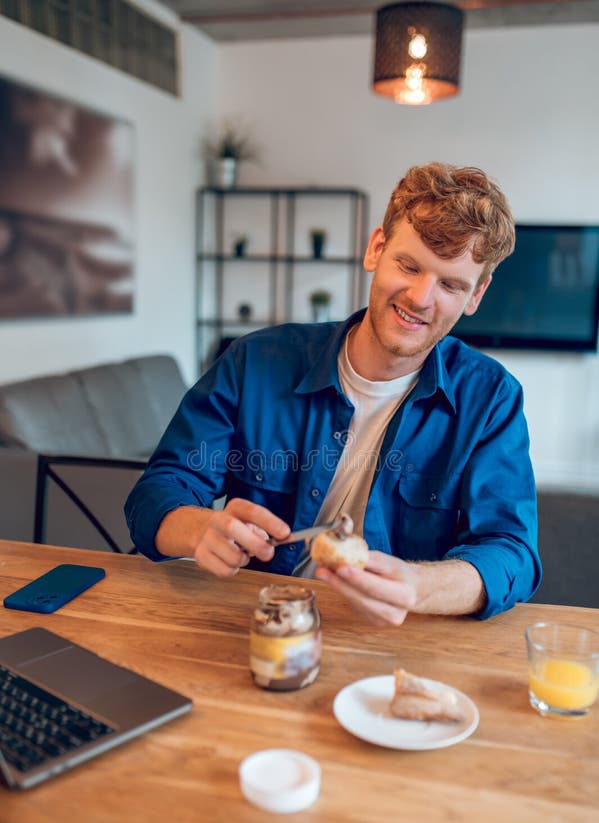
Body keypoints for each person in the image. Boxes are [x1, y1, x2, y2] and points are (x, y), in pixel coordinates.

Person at [125, 162, 541, 625]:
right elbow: (158, 491)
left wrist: (418, 586)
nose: (422, 298)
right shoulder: (255, 362)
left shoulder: (491, 400)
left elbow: (512, 554)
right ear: (376, 249)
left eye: (450, 284)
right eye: (409, 265)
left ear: (476, 295)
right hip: (260, 621)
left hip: (399, 641)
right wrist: (199, 529)